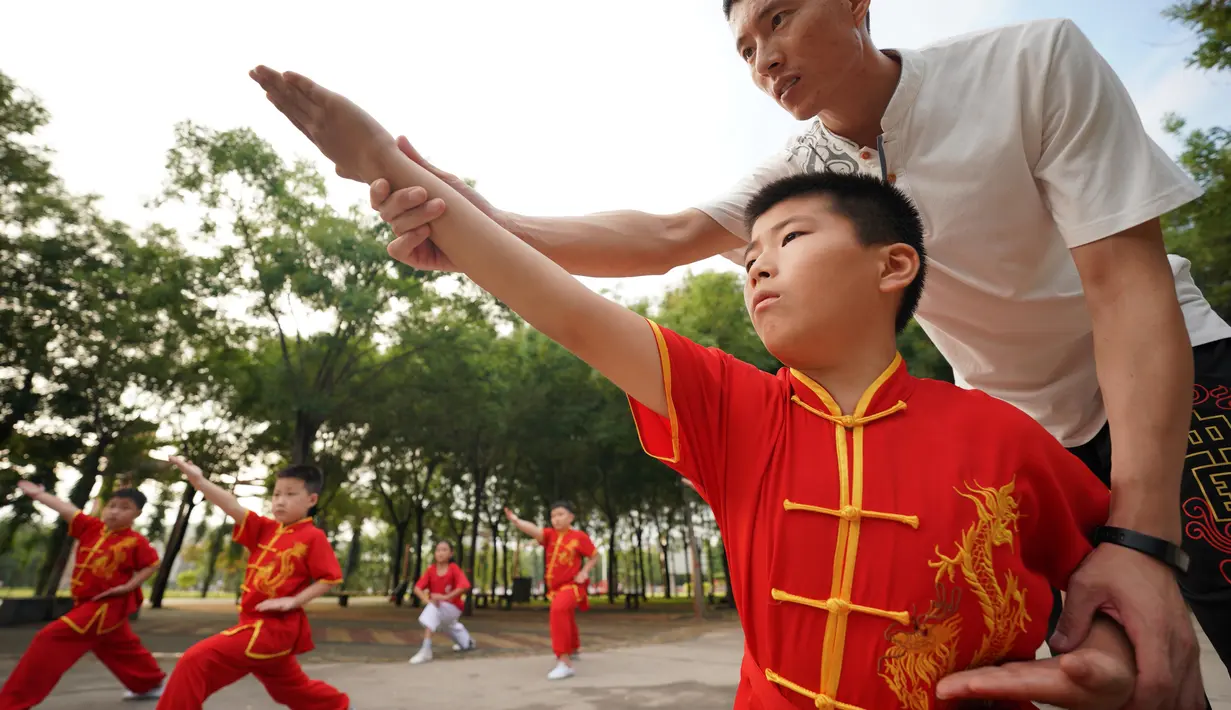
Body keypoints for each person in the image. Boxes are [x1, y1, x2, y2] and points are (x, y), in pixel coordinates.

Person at [367, 5, 1230, 706]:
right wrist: (481, 226)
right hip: (1017, 432)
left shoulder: (1029, 62)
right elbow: (667, 235)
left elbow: (1124, 284)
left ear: (856, 4)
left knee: (1190, 609)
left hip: (1171, 384)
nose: (765, 58)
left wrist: (1141, 539)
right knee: (1116, 671)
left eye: (779, 19)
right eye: (745, 48)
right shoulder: (804, 173)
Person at [157, 457, 350, 710]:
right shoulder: (266, 529)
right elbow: (231, 505)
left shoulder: (313, 536)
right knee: (291, 689)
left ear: (311, 500)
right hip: (252, 624)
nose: (280, 500)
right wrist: (199, 481)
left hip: (272, 629)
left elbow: (330, 578)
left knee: (195, 661)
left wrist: (294, 601)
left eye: (290, 494)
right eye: (277, 494)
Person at [0, 482, 165, 708]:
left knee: (50, 639)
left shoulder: (135, 541)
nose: (115, 512)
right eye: (112, 506)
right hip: (86, 604)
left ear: (137, 514)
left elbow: (152, 564)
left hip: (104, 606)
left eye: (125, 508)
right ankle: (149, 683)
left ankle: (10, 703)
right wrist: (39, 494)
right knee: (118, 645)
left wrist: (129, 586)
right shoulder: (91, 528)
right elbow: (66, 509)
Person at [505, 504, 598, 680]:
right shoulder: (550, 535)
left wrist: (584, 572)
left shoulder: (579, 537)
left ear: (571, 517)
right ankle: (574, 647)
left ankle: (564, 662)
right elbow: (534, 530)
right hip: (555, 588)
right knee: (566, 614)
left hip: (573, 585)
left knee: (559, 610)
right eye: (553, 516)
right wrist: (517, 521)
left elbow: (594, 556)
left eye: (561, 514)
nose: (556, 519)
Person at [408, 540, 476, 664]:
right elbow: (417, 588)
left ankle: (426, 650)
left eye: (444, 550)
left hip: (453, 608)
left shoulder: (453, 568)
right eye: (438, 550)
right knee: (450, 627)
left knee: (433, 609)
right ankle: (468, 642)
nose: (440, 553)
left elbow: (465, 585)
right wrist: (427, 600)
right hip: (441, 609)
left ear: (451, 553)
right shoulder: (431, 570)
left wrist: (445, 597)